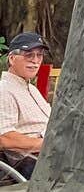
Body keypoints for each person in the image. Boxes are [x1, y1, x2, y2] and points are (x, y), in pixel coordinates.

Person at [0, 32, 52, 179]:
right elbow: (4, 138)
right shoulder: (4, 90)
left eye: (39, 55)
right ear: (11, 58)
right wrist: (49, 144)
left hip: (52, 155)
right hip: (33, 164)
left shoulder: (31, 89)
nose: (35, 61)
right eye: (29, 55)